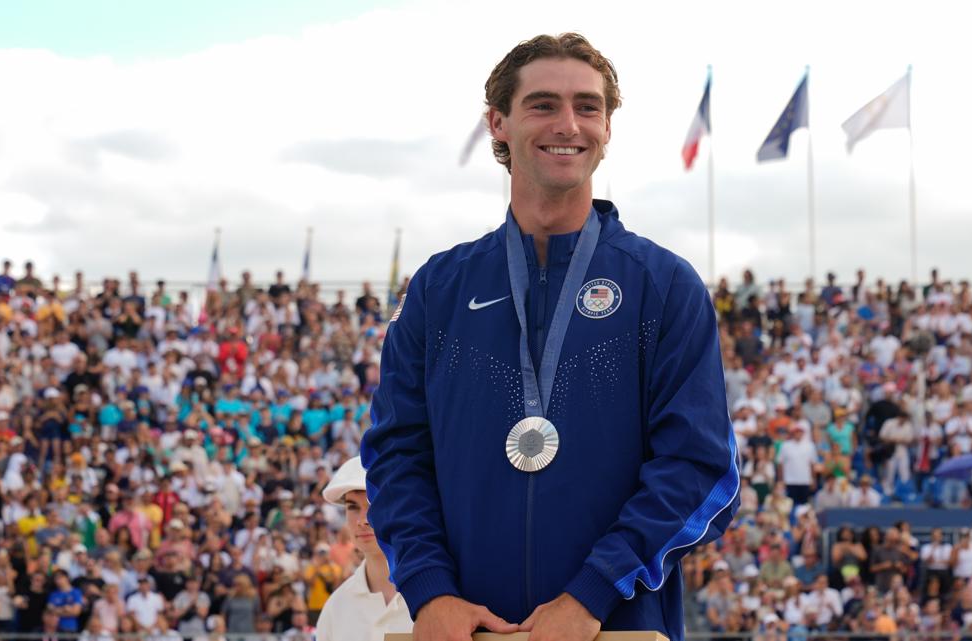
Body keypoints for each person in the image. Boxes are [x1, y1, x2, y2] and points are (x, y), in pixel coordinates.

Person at [362, 33, 738, 641]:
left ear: (607, 128)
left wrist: (592, 593)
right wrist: (430, 591)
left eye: (588, 107)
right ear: (498, 123)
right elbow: (396, 455)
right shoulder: (439, 289)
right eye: (543, 105)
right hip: (463, 630)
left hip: (611, 628)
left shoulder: (663, 286)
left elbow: (700, 468)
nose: (568, 124)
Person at [315, 456, 411, 641]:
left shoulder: (436, 594)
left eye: (374, 504)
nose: (363, 520)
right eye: (353, 507)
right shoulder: (336, 607)